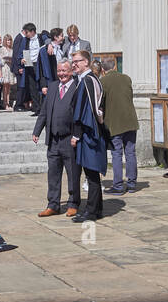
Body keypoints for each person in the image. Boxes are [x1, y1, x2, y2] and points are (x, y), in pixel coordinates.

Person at [33, 59, 80, 217]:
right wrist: (37, 131)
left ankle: (73, 203)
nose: (61, 74)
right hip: (53, 140)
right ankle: (53, 204)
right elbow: (44, 111)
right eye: (59, 71)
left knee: (72, 172)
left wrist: (77, 135)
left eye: (64, 71)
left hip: (69, 139)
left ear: (71, 71)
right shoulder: (53, 87)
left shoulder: (77, 87)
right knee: (53, 173)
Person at [69, 43, 107, 222]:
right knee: (93, 176)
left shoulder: (87, 81)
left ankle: (90, 212)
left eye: (77, 61)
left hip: (89, 135)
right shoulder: (91, 79)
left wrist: (76, 135)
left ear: (86, 62)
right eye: (73, 61)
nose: (73, 64)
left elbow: (83, 111)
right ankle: (97, 209)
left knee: (91, 175)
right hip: (92, 133)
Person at [100, 57, 139, 194]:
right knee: (130, 152)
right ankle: (132, 183)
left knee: (116, 154)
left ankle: (117, 186)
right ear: (115, 66)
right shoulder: (126, 78)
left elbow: (101, 102)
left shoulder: (102, 81)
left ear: (103, 70)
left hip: (114, 122)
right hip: (130, 120)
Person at [0, 34, 15, 110]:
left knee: (9, 87)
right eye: (7, 40)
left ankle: (8, 102)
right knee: (5, 87)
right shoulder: (2, 49)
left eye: (10, 40)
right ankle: (5, 103)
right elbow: (0, 61)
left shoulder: (12, 49)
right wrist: (6, 60)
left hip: (10, 68)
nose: (9, 41)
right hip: (4, 68)